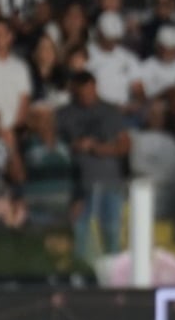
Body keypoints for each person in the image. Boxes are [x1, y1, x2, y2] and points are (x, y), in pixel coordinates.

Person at [55, 71, 130, 262]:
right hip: (79, 185)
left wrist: (96, 148)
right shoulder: (63, 114)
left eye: (90, 92)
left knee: (111, 233)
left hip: (110, 182)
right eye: (82, 93)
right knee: (80, 234)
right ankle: (82, 274)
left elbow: (125, 145)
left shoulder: (110, 111)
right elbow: (54, 146)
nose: (87, 97)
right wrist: (74, 146)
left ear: (95, 87)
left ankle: (114, 275)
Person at [86, 12, 144, 111]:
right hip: (94, 108)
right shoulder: (86, 53)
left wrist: (135, 104)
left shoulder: (129, 57)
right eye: (108, 37)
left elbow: (138, 87)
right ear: (99, 33)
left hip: (123, 109)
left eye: (114, 38)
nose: (111, 41)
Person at [139, 25, 175, 101]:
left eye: (174, 50)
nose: (170, 53)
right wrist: (167, 93)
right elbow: (144, 95)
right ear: (158, 47)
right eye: (167, 49)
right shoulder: (147, 65)